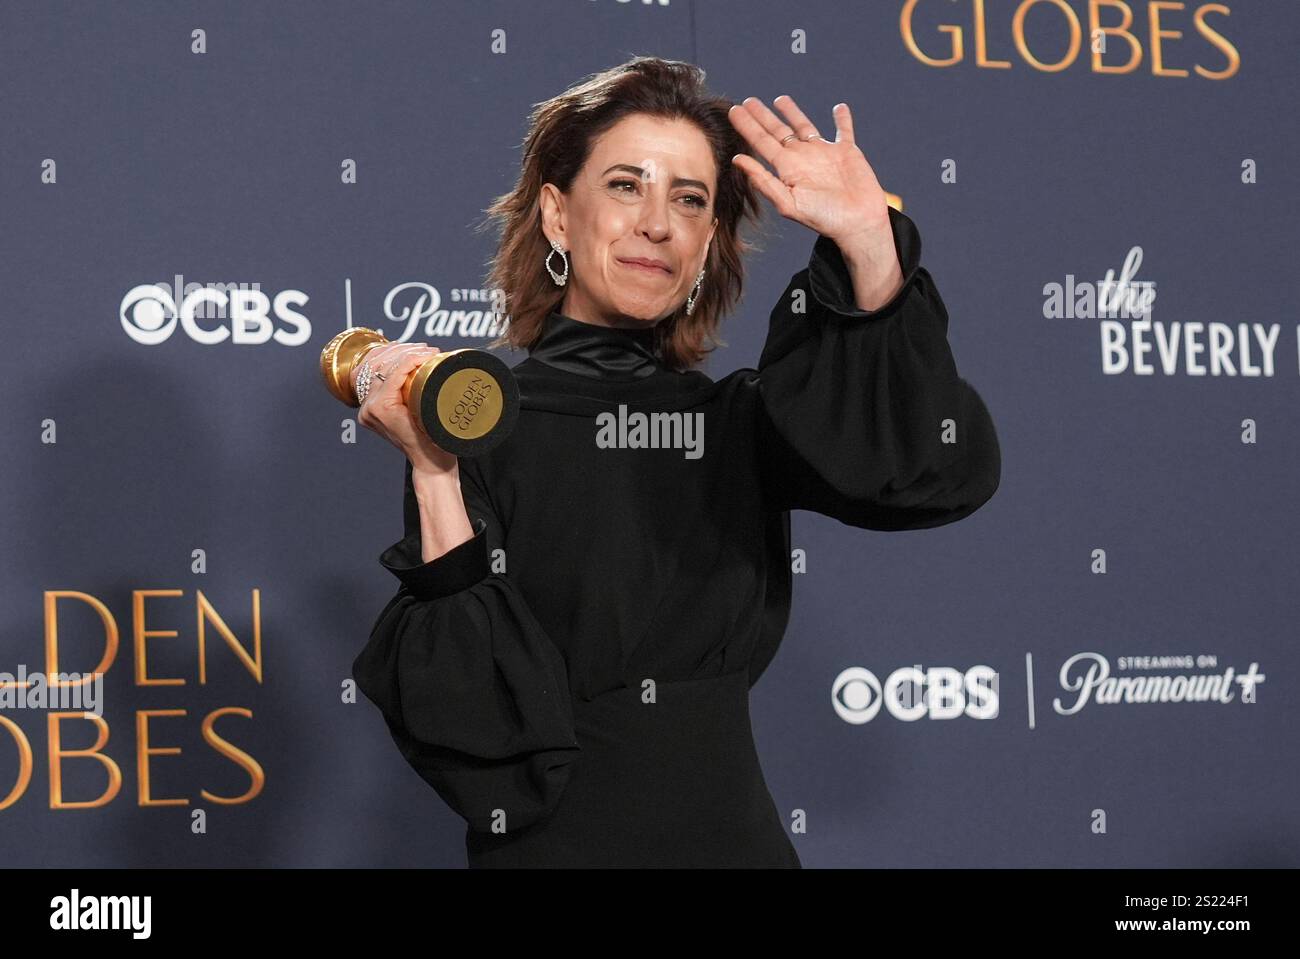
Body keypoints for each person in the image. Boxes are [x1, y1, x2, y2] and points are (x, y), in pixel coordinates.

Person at [350, 56, 1000, 868]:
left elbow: (928, 471)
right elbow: (473, 721)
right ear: (557, 214)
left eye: (689, 200)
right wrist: (435, 472)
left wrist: (870, 243)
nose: (657, 223)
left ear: (706, 245)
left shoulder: (746, 424)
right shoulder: (476, 421)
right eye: (626, 185)